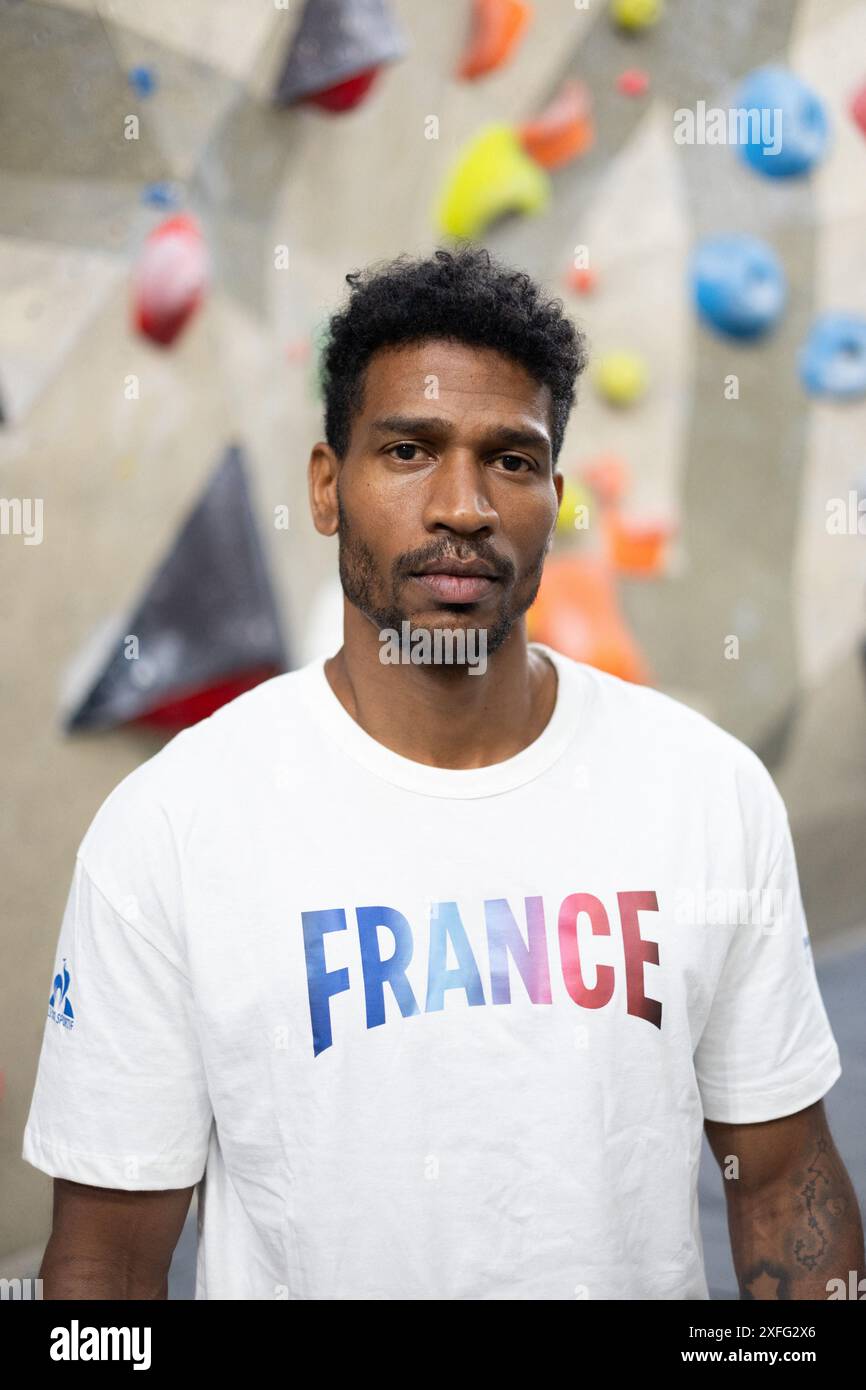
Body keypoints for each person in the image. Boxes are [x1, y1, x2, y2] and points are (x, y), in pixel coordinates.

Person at [23, 246, 862, 1300]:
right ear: (327, 488)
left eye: (508, 460)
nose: (462, 505)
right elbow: (104, 1262)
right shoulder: (173, 827)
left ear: (551, 498)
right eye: (410, 450)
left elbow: (782, 1186)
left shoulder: (703, 792)